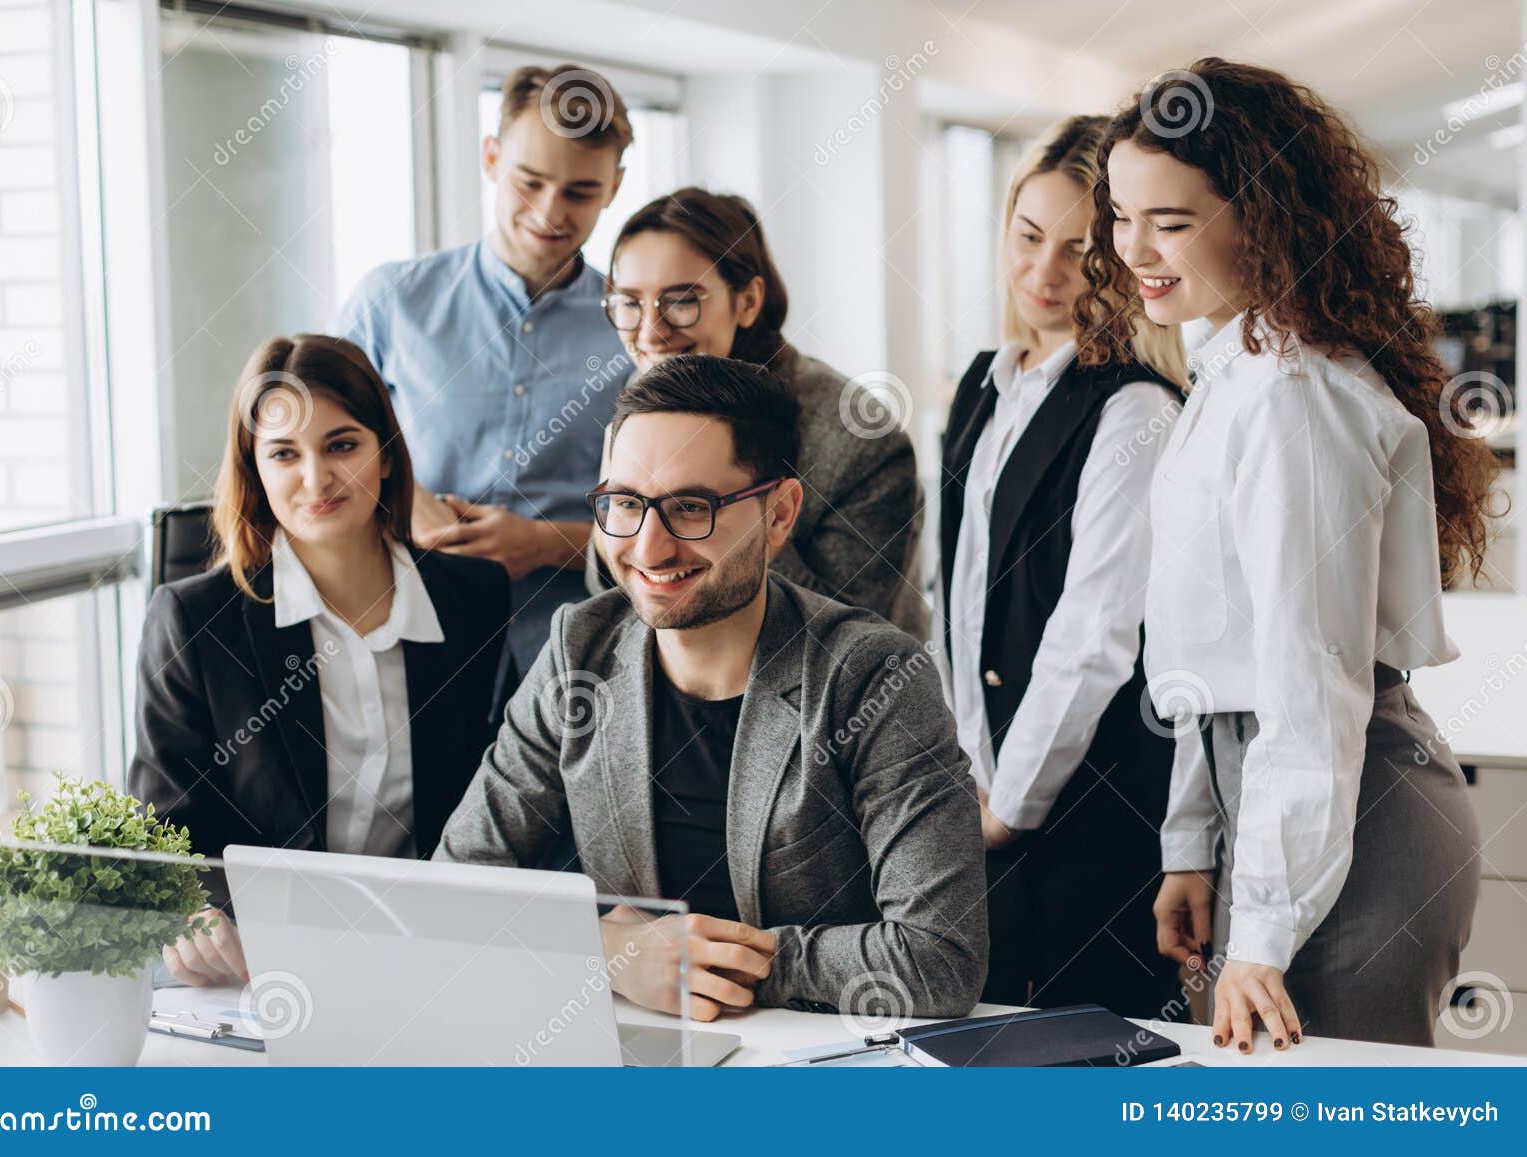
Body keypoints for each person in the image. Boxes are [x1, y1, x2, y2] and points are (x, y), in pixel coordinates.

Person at [1082, 58, 1496, 1050]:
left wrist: (1260, 929)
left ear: (1261, 220)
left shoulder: (1290, 398)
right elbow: (1204, 658)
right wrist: (1193, 845)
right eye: (1121, 214)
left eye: (1170, 222)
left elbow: (1307, 690)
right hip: (1274, 813)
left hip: (1348, 822)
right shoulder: (1231, 370)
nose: (1133, 248)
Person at [436, 354, 986, 1023]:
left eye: (691, 507)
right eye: (624, 504)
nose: (649, 546)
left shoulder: (873, 677)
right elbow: (455, 888)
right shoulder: (578, 650)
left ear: (779, 515)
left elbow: (939, 959)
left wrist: (708, 960)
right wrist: (610, 950)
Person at [130, 335, 509, 987]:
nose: (317, 478)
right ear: (256, 471)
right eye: (284, 453)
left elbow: (508, 793)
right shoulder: (195, 620)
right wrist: (197, 913)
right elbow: (161, 826)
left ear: (385, 454)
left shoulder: (473, 596)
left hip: (433, 955)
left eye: (342, 444)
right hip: (261, 966)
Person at [938, 116, 1187, 1018]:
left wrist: (1007, 804)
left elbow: (1095, 633)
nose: (1045, 273)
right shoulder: (982, 383)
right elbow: (958, 599)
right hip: (977, 785)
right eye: (1029, 237)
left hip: (1089, 808)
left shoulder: (1135, 410)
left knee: (1087, 1061)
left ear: (1119, 255)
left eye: (1081, 249)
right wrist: (959, 763)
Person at [337, 63, 630, 698]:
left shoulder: (637, 327)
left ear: (615, 188)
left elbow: (670, 504)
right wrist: (409, 503)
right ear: (492, 158)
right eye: (530, 181)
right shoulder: (392, 301)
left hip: (579, 656)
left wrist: (548, 543)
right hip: (402, 633)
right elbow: (323, 441)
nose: (550, 212)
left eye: (581, 191)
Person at [588, 187, 928, 637]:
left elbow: (845, 633)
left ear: (747, 302)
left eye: (682, 300)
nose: (650, 332)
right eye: (630, 303)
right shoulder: (644, 395)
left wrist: (744, 509)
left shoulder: (860, 437)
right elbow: (610, 587)